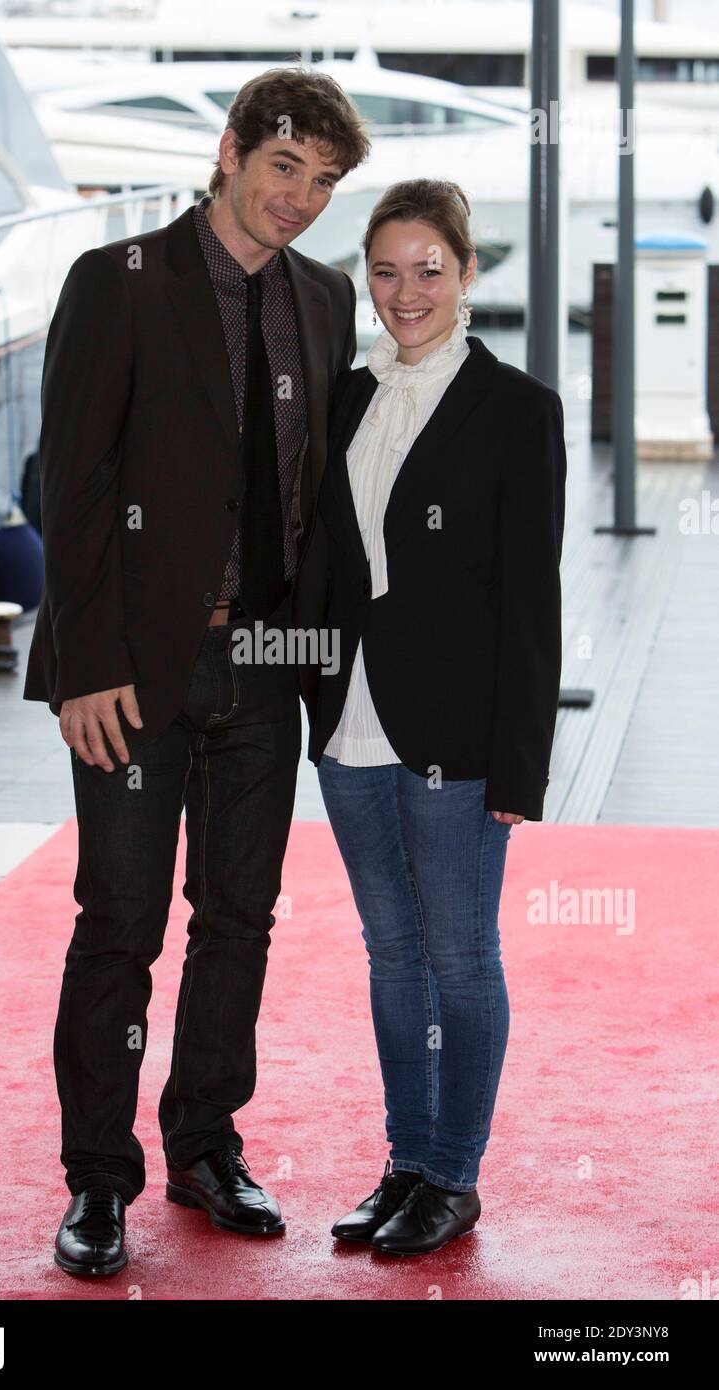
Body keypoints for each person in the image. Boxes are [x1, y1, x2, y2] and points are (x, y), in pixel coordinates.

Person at [23, 66, 370, 1276]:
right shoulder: (116, 282)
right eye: (285, 168)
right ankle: (96, 1180)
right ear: (229, 151)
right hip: (134, 669)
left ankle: (205, 1142)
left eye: (324, 183)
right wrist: (83, 666)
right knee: (117, 922)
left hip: (268, 662)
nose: (301, 199)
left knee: (239, 917)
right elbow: (65, 485)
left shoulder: (325, 301)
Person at [293, 178, 567, 1256]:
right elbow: (322, 563)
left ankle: (454, 1175)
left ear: (464, 271)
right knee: (388, 950)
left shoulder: (516, 409)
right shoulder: (345, 395)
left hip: (455, 729)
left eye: (428, 268)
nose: (405, 292)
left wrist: (518, 770)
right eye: (385, 270)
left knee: (459, 956)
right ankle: (405, 1162)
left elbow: (529, 602)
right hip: (347, 718)